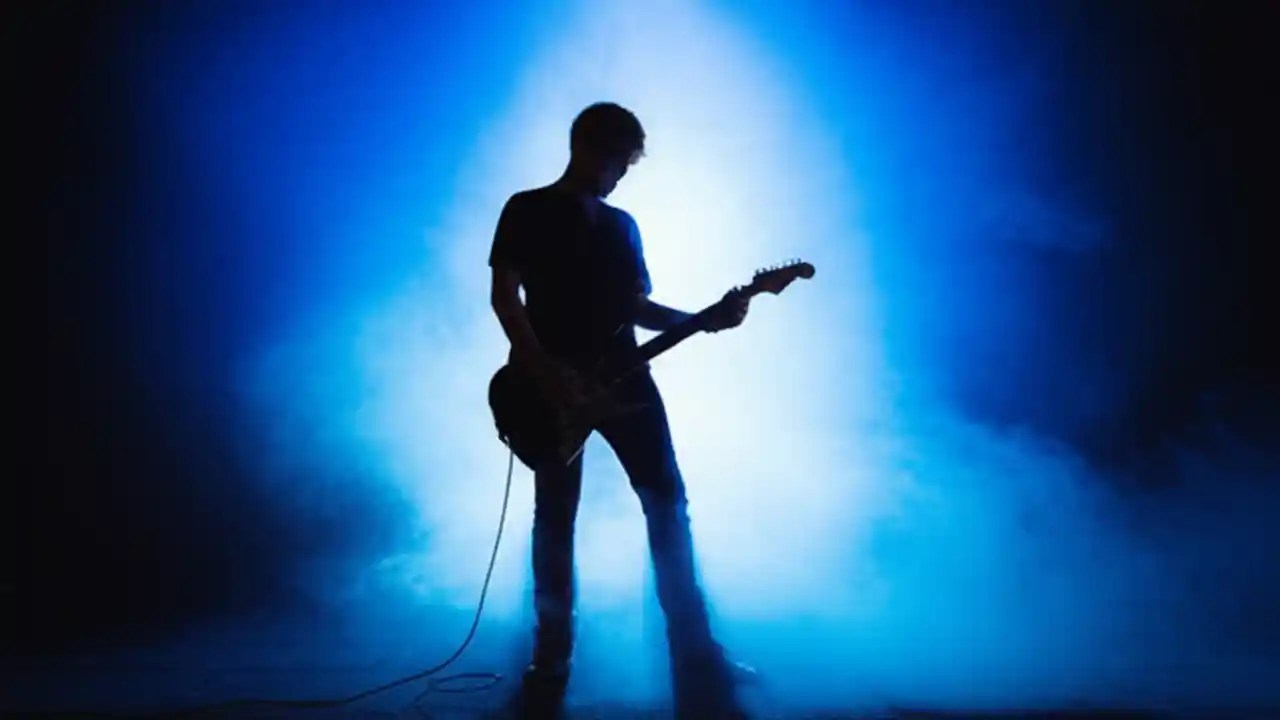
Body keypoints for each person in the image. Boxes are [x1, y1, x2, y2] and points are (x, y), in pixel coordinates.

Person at [489, 102, 753, 718]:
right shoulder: (526, 208)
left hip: (628, 382)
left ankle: (695, 653)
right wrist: (543, 370)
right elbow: (504, 296)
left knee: (667, 505)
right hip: (551, 386)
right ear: (589, 146)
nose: (623, 175)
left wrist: (704, 319)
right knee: (556, 517)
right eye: (620, 161)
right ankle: (551, 656)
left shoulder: (622, 225)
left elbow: (637, 309)